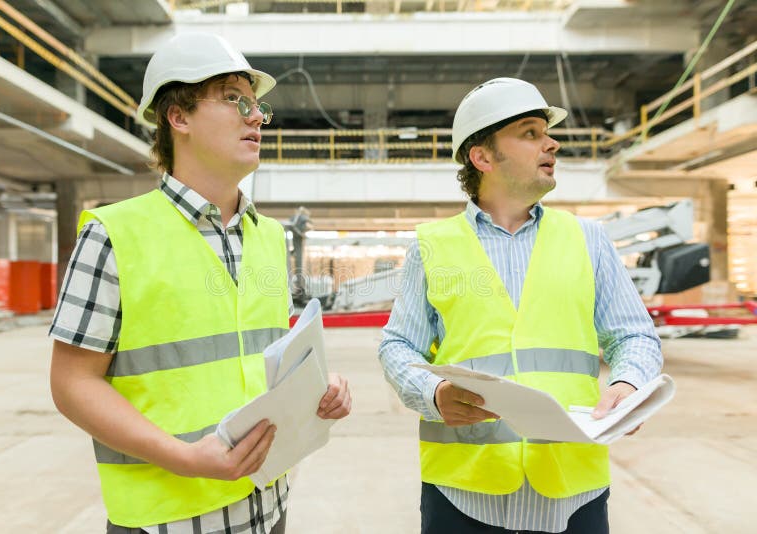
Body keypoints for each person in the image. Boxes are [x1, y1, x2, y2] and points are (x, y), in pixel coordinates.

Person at [49, 32, 351, 534]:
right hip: (166, 520)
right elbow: (72, 383)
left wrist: (317, 388)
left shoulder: (269, 236)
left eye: (257, 107)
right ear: (179, 117)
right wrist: (185, 457)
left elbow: (257, 360)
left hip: (266, 509)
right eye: (236, 100)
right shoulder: (114, 234)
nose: (256, 117)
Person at [378, 77, 662, 534]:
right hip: (464, 490)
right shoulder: (432, 247)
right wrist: (433, 395)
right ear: (483, 157)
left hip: (573, 488)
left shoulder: (588, 240)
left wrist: (630, 386)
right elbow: (397, 346)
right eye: (530, 133)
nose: (551, 143)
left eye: (546, 133)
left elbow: (633, 333)